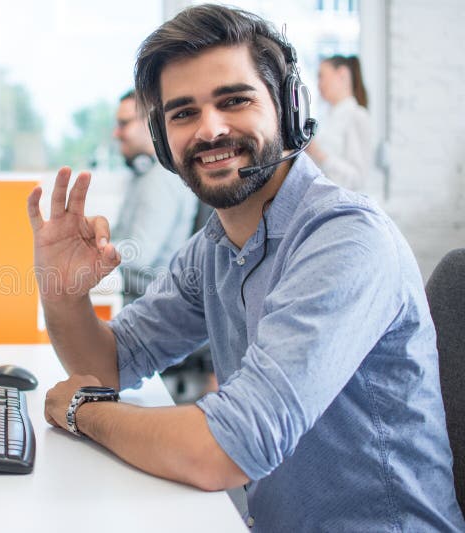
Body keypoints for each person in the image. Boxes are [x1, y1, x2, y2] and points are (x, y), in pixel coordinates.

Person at [26, 5, 465, 531]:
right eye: (183, 113)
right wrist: (61, 292)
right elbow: (110, 365)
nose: (210, 130)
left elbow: (228, 449)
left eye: (234, 100)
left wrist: (85, 413)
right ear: (163, 139)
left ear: (287, 108)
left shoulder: (345, 239)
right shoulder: (214, 246)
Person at [111, 89, 198, 302]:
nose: (117, 133)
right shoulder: (141, 175)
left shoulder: (161, 179)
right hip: (139, 304)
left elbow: (140, 254)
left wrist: (90, 250)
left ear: (148, 124)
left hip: (158, 311)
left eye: (124, 124)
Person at [306, 55, 374, 191]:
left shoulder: (357, 116)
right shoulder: (327, 117)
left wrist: (318, 153)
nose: (318, 84)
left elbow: (358, 179)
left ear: (342, 74)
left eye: (321, 76)